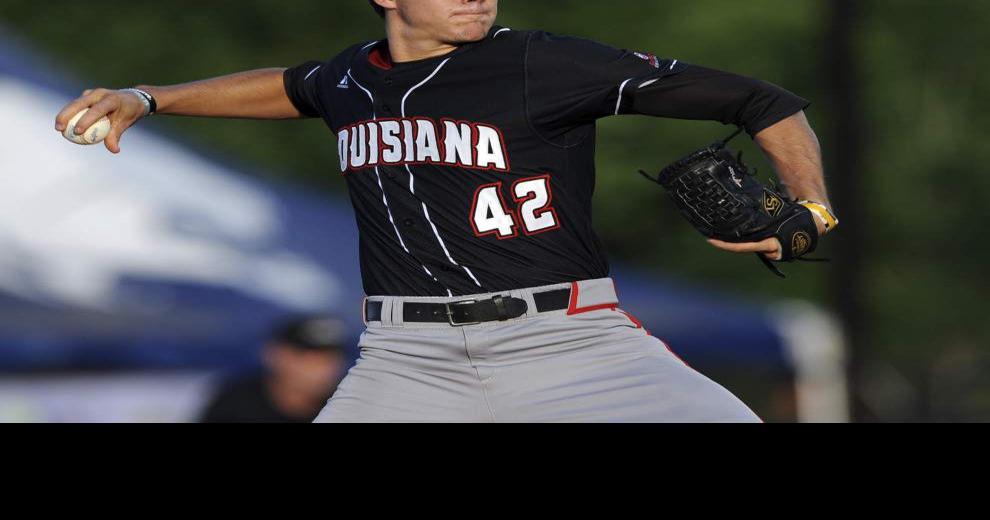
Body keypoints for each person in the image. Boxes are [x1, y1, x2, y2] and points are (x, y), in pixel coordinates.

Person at [56, 0, 837, 423]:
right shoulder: (349, 80)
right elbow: (295, 86)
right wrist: (150, 97)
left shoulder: (539, 61)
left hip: (570, 346)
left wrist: (813, 206)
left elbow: (760, 99)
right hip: (407, 360)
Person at [198, 316, 349, 423]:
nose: (320, 369)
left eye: (329, 358)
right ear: (273, 355)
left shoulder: (352, 405)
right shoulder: (236, 404)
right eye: (306, 357)